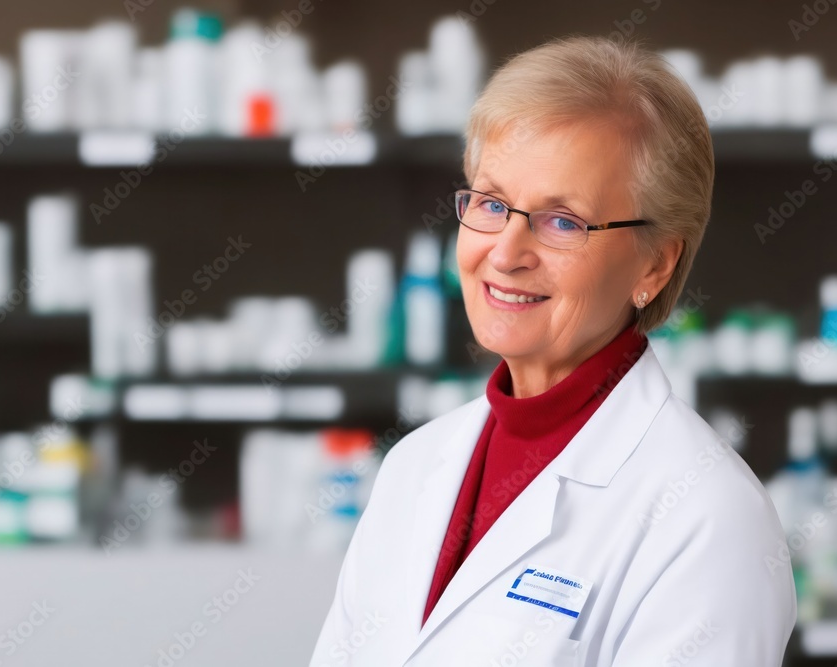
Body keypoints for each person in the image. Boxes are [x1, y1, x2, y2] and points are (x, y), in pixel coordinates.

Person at [309, 34, 796, 667]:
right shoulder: (413, 467)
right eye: (490, 203)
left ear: (655, 262)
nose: (506, 253)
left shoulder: (707, 518)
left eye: (563, 220)